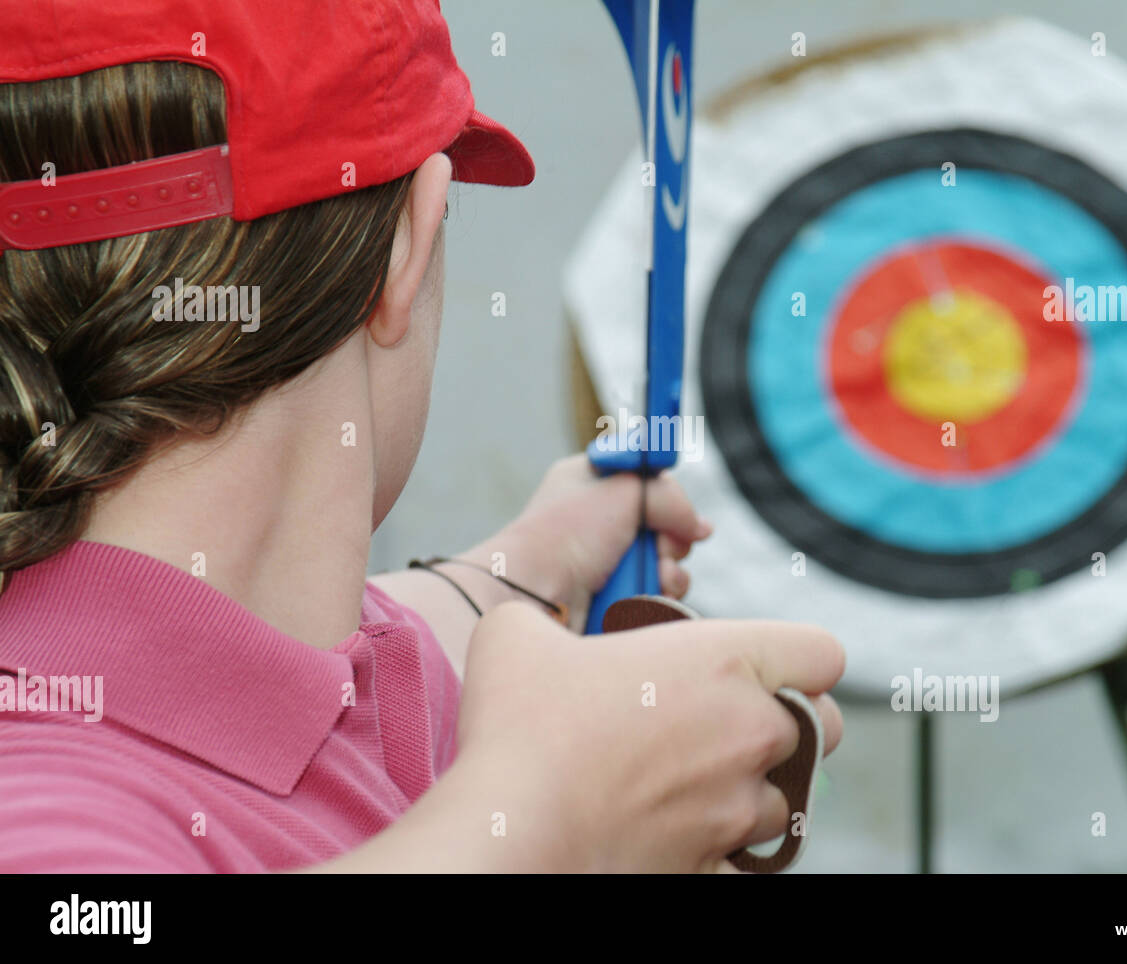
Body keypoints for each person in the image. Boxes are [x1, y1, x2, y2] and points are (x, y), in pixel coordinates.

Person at [0, 0, 844, 873]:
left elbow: (321, 667)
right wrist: (562, 820)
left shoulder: (301, 662)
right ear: (409, 240)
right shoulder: (47, 809)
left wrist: (514, 575)